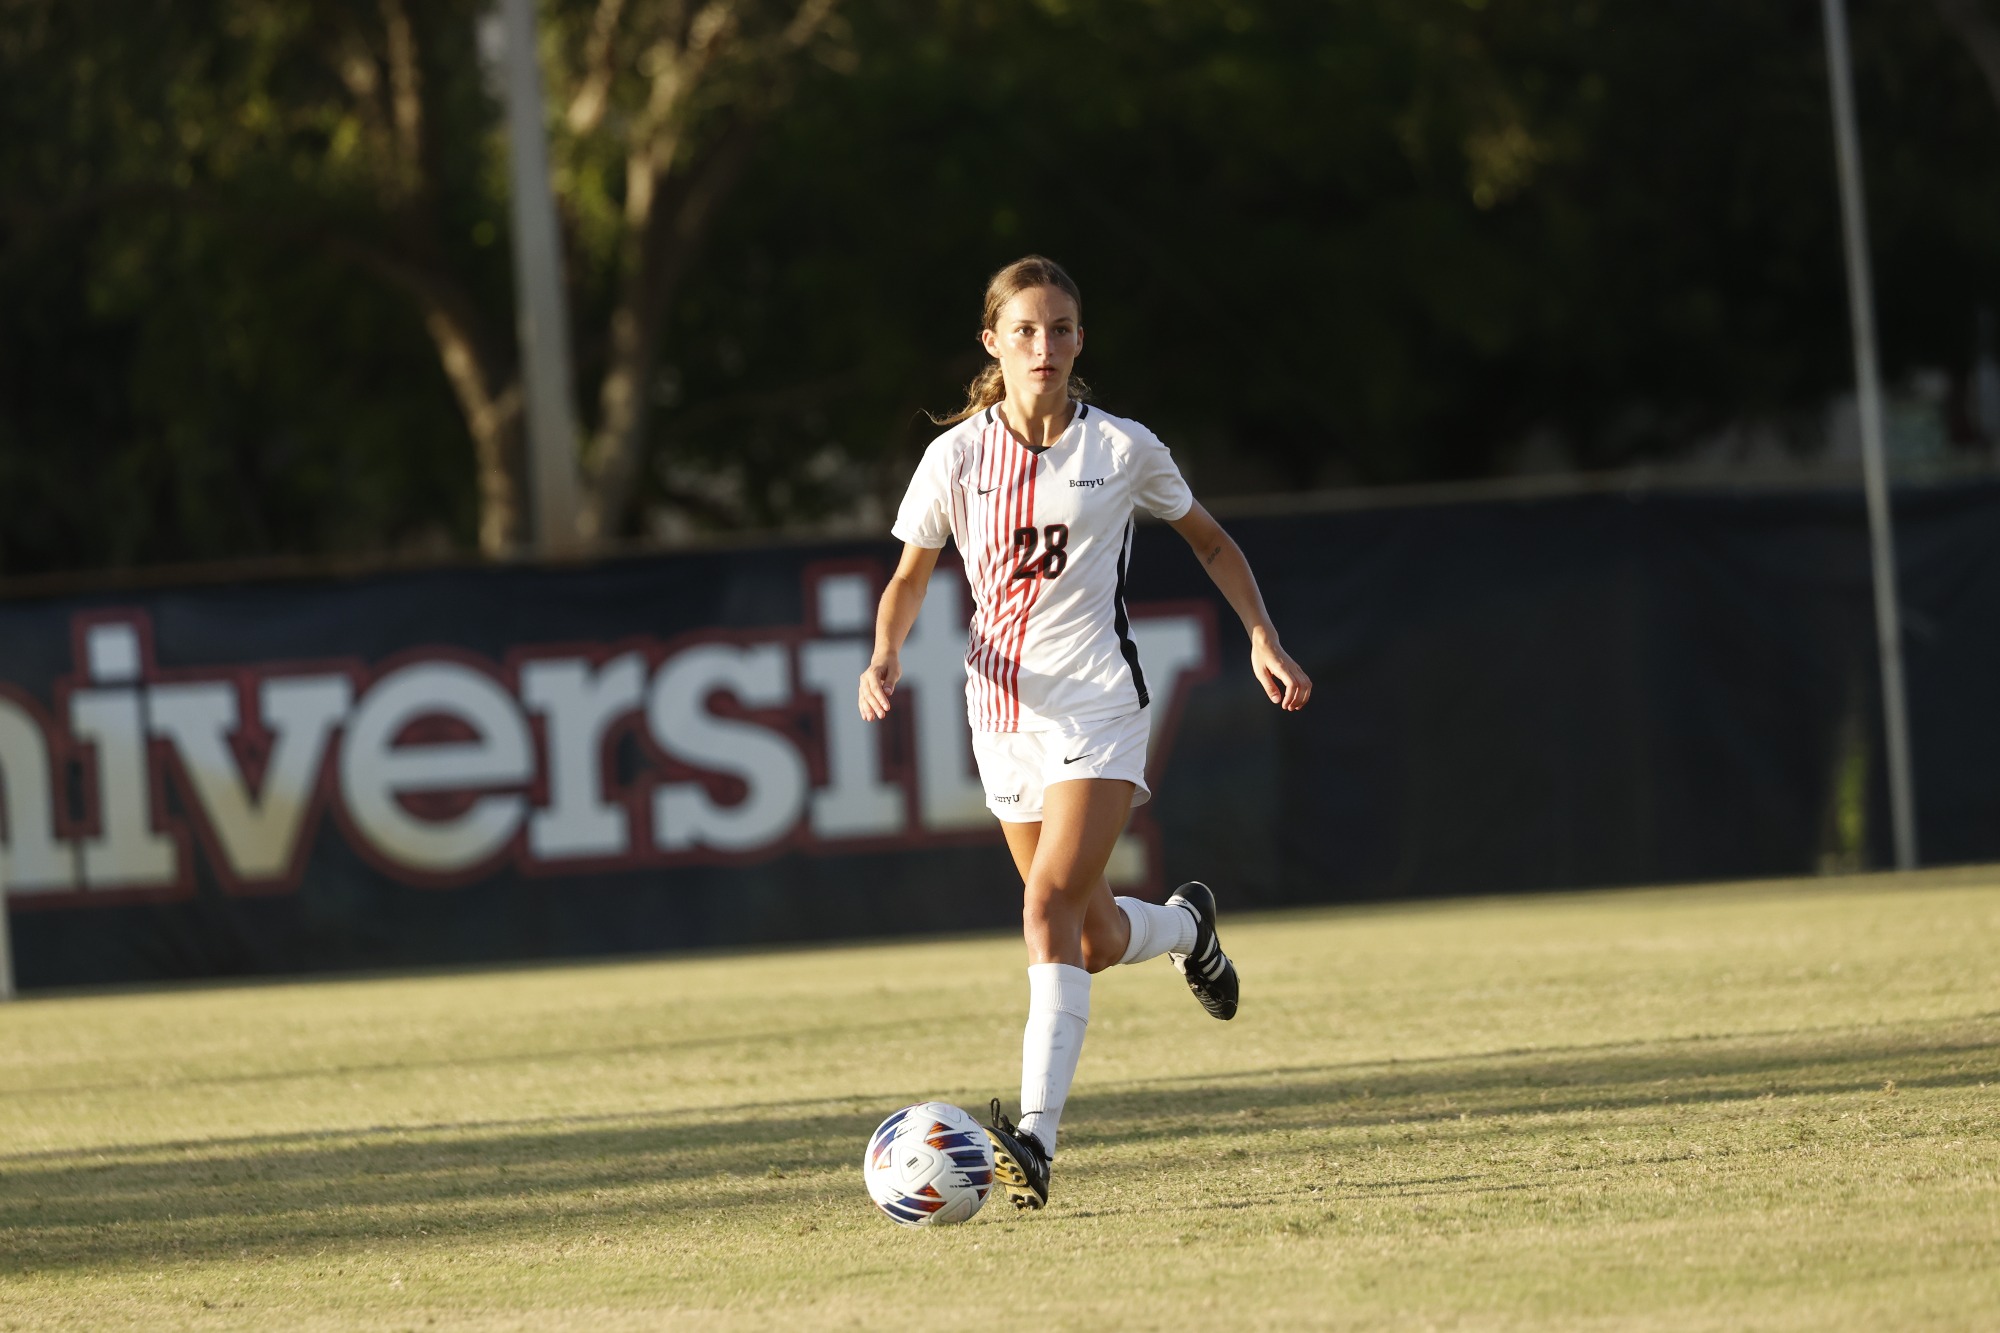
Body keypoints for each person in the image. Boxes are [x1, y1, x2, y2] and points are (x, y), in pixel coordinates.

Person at [857, 255, 1311, 1211]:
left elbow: (1214, 543)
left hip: (1101, 706)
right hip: (1002, 713)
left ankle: (1036, 1136)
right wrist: (884, 652)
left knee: (1044, 910)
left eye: (1061, 329)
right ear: (992, 342)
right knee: (1094, 935)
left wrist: (1264, 636)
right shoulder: (956, 457)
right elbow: (908, 576)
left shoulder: (1124, 447)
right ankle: (1189, 927)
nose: (1045, 346)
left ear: (1079, 342)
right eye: (1025, 329)